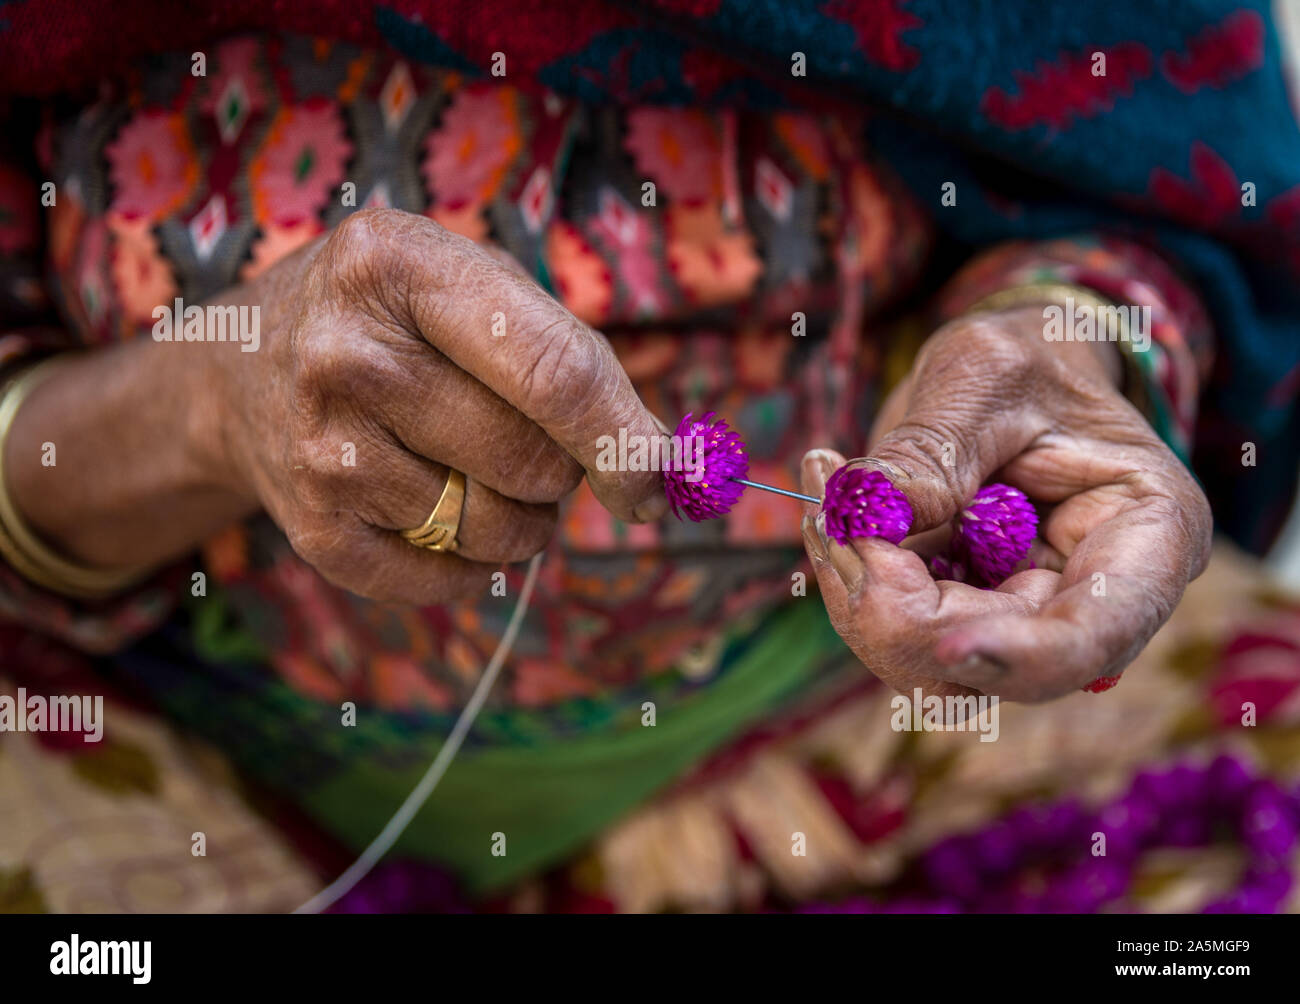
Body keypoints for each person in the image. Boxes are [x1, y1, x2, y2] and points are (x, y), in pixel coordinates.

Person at [1, 0, 1297, 912]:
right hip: (165, 776)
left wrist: (1073, 337)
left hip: (878, 757)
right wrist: (198, 410)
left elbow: (1148, 189)